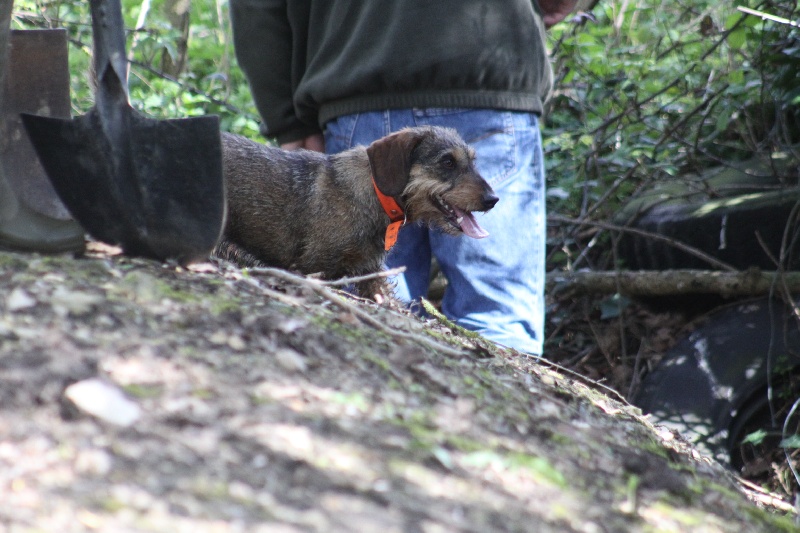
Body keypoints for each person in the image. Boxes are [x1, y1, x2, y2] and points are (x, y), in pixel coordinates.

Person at [229, 0, 578, 355]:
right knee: (495, 320)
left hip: (355, 83)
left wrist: (287, 118)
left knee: (362, 317)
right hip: (489, 75)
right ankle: (494, 410)